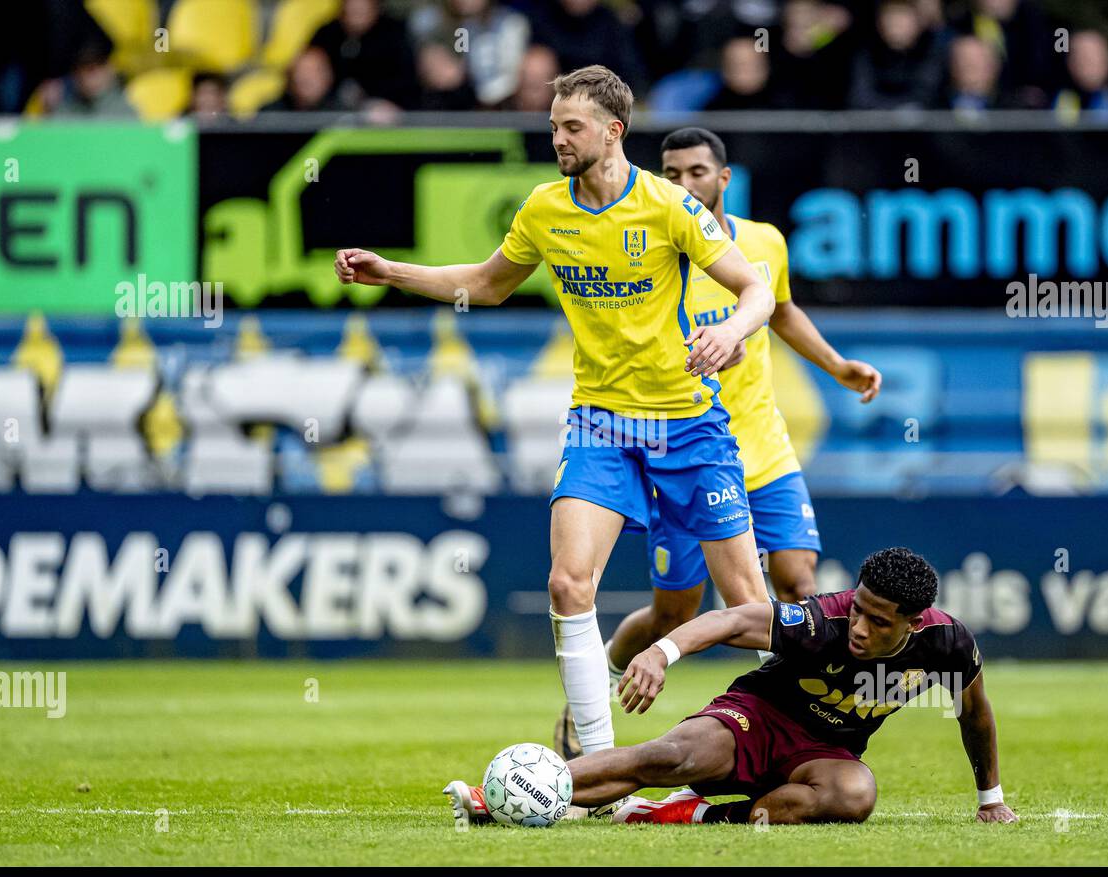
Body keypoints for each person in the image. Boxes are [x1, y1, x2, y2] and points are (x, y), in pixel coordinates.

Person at [336, 65, 774, 761]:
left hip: (689, 427)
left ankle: (798, 736)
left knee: (751, 612)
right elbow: (486, 284)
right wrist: (392, 273)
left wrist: (730, 331)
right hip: (602, 424)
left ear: (613, 131)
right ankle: (591, 769)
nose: (559, 140)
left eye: (572, 127)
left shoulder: (668, 206)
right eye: (553, 128)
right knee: (568, 583)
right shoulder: (544, 209)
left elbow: (757, 291)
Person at [554, 126, 882, 758]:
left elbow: (780, 309)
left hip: (762, 449)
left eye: (697, 172)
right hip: (689, 451)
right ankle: (600, 673)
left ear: (724, 178)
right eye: (672, 174)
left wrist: (837, 365)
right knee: (674, 613)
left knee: (795, 583)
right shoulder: (657, 247)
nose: (685, 184)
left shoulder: (763, 243)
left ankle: (798, 730)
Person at [448, 547, 1019, 826]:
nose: (860, 628)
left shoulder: (947, 646)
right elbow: (730, 620)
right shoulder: (823, 620)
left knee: (855, 796)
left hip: (824, 753)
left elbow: (975, 716)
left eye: (878, 621)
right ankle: (500, 797)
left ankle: (684, 815)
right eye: (859, 609)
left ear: (913, 624)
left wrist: (989, 799)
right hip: (754, 718)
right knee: (669, 757)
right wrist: (662, 652)